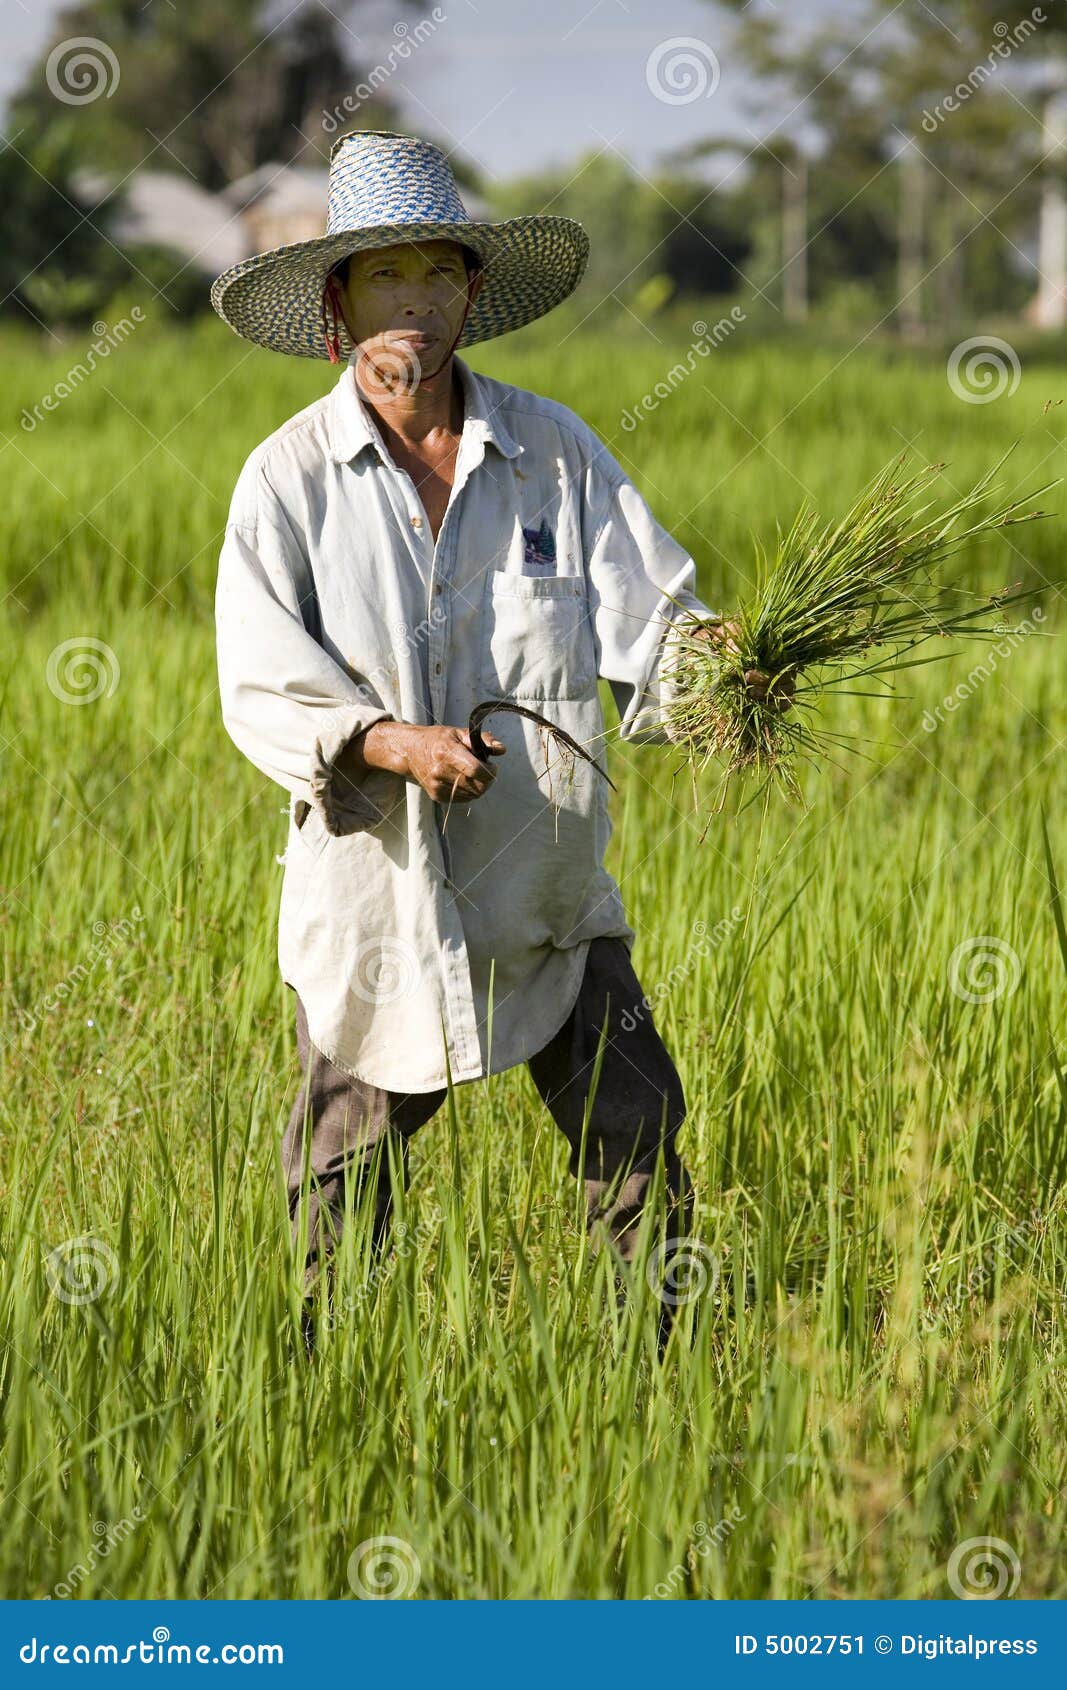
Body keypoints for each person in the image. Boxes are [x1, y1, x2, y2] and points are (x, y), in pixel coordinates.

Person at [210, 130, 789, 1357]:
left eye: (433, 274)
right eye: (381, 276)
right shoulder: (287, 483)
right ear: (336, 299)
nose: (409, 303)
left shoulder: (555, 455)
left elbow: (653, 622)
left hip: (549, 886)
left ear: (470, 293)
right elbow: (260, 680)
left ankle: (670, 1379)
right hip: (382, 893)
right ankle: (317, 1397)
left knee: (634, 1138)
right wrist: (383, 741)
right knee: (339, 1182)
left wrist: (730, 667)